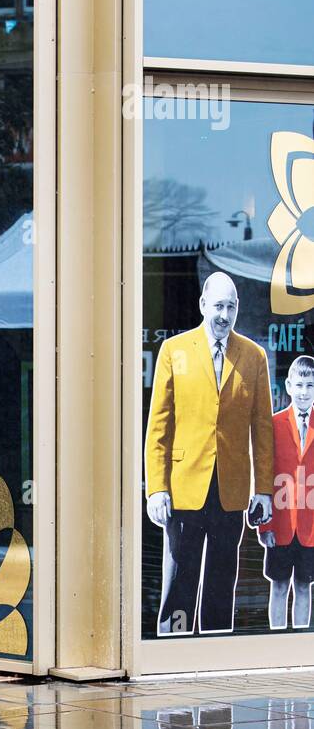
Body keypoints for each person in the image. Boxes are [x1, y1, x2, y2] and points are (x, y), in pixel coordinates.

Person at [145, 271, 273, 636]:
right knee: (180, 576)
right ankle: (175, 648)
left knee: (222, 578)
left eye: (231, 307)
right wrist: (157, 488)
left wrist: (262, 489)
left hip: (231, 491)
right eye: (218, 305)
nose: (224, 314)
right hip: (184, 488)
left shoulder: (254, 356)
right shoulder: (175, 351)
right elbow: (159, 427)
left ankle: (215, 649)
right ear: (203, 305)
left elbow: (263, 428)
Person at [258, 355, 314, 630]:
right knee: (278, 586)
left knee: (304, 587)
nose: (304, 392)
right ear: (289, 386)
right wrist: (264, 525)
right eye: (300, 385)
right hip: (279, 523)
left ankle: (302, 640)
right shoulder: (274, 424)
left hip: (310, 525)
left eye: (311, 386)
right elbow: (263, 480)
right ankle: (276, 638)